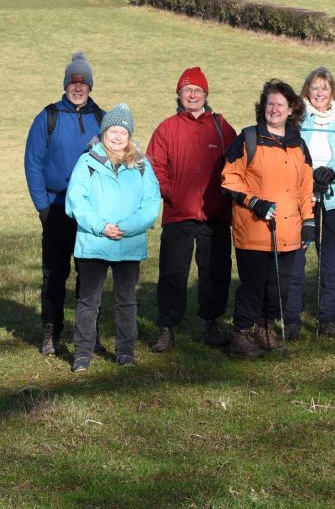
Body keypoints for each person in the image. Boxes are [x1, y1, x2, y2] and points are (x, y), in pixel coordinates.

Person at [146, 67, 238, 353]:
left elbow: (236, 166)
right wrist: (173, 194)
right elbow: (155, 168)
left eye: (198, 90)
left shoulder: (222, 128)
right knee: (173, 272)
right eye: (187, 91)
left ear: (206, 94)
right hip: (178, 214)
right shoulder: (166, 128)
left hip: (215, 215)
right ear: (179, 95)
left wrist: (225, 195)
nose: (193, 95)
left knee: (215, 272)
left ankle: (211, 323)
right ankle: (167, 327)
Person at [221, 79, 315, 359]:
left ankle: (265, 328)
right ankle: (241, 334)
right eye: (270, 104)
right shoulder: (248, 138)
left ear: (291, 110)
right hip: (253, 227)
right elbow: (229, 179)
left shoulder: (299, 144)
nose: (274, 109)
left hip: (288, 230)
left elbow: (305, 187)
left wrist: (308, 222)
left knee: (279, 285)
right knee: (253, 285)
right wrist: (254, 202)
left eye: (280, 105)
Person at [65, 104, 162, 371]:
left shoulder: (142, 166)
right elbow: (76, 200)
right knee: (88, 302)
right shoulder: (87, 162)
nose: (117, 137)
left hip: (127, 244)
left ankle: (126, 353)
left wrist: (126, 227)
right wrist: (101, 226)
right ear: (104, 132)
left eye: (123, 131)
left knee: (126, 301)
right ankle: (82, 354)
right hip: (93, 242)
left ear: (129, 135)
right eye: (112, 131)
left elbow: (151, 204)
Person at [24, 52, 105, 356]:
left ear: (90, 86)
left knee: (90, 274)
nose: (78, 87)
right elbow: (33, 162)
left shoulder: (102, 119)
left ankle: (88, 334)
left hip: (90, 213)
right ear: (66, 84)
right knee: (55, 274)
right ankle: (51, 332)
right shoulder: (48, 117)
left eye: (83, 83)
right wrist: (43, 206)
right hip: (56, 207)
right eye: (73, 82)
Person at [287, 67, 335, 339]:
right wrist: (308, 177)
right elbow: (285, 157)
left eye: (325, 88)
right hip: (299, 202)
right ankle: (291, 320)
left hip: (330, 201)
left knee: (334, 265)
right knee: (295, 262)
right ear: (306, 90)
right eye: (315, 87)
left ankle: (328, 319)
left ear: (333, 92)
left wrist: (331, 173)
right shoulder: (295, 120)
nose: (320, 93)